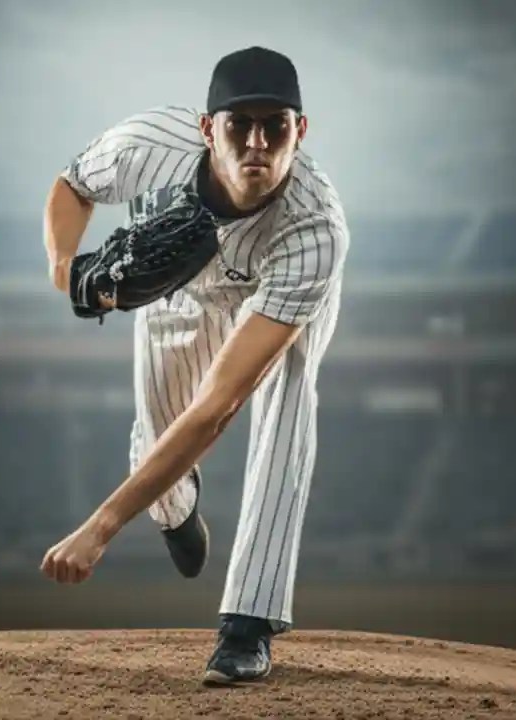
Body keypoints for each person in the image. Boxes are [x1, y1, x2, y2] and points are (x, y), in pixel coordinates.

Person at [40, 46, 349, 685]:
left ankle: (249, 621)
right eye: (239, 125)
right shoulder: (148, 145)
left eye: (277, 125)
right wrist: (65, 267)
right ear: (209, 129)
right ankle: (174, 510)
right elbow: (73, 186)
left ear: (301, 130)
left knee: (289, 390)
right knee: (158, 436)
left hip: (275, 288)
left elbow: (218, 406)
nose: (257, 142)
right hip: (179, 294)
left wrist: (100, 527)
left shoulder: (315, 228)